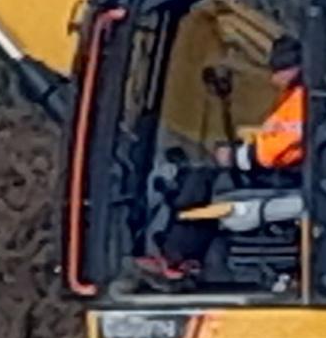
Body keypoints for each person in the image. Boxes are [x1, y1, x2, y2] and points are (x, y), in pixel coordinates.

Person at [130, 34, 305, 288]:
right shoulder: (295, 96)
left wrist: (236, 156)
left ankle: (176, 256)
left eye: (276, 69)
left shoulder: (303, 99)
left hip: (288, 176)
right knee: (208, 180)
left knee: (202, 183)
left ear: (291, 67)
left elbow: (278, 147)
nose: (271, 77)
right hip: (287, 171)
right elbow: (278, 137)